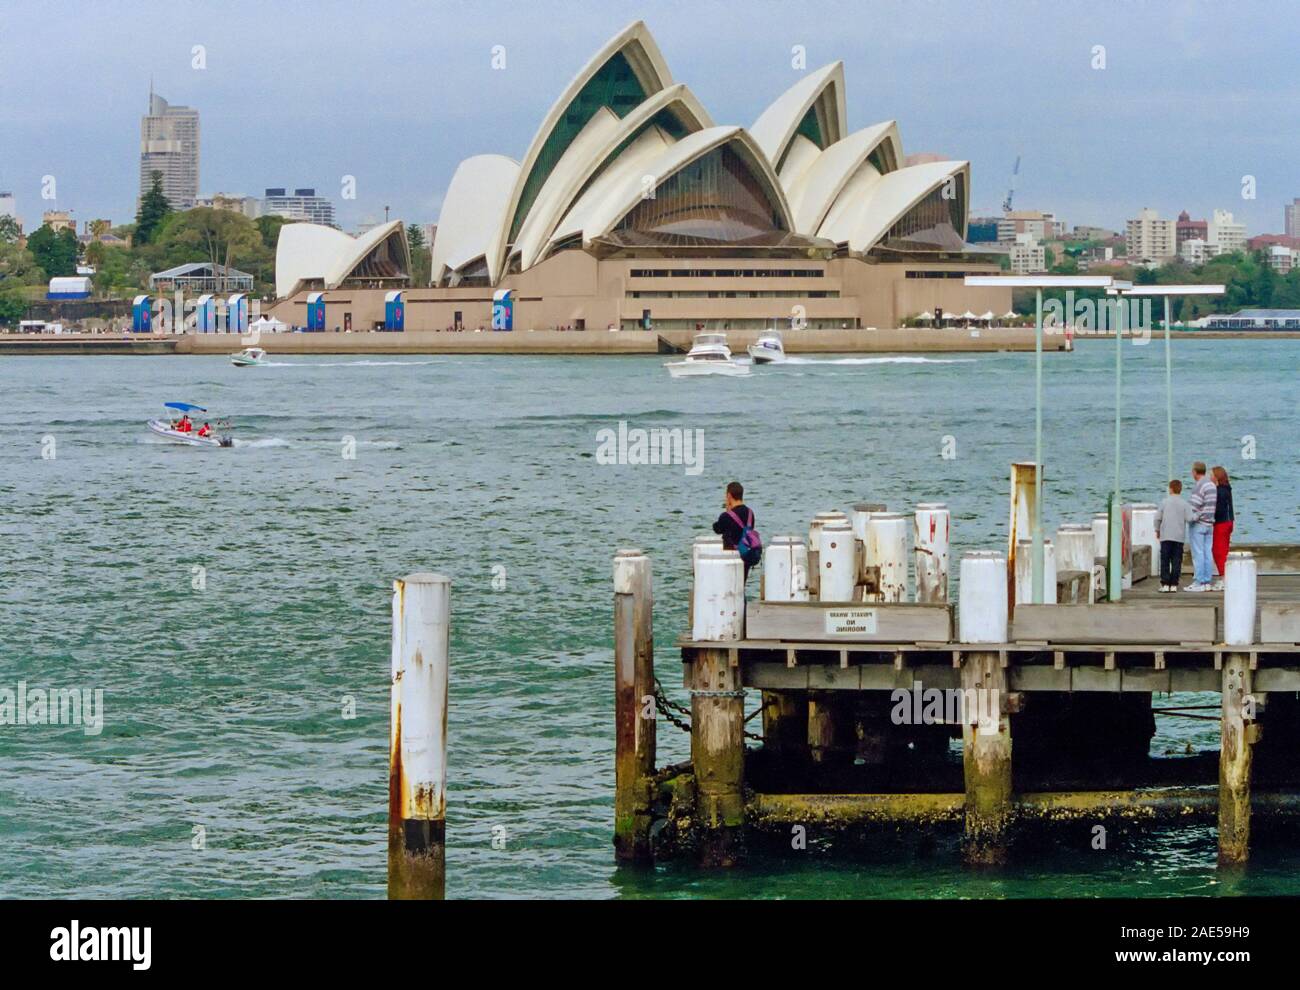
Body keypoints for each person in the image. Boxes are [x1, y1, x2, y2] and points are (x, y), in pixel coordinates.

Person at [712, 481, 761, 577]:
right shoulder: (750, 513)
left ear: (729, 496)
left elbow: (717, 529)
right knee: (741, 586)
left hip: (731, 557)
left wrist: (727, 512)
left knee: (729, 586)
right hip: (746, 555)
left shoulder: (726, 516)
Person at [1154, 479, 1193, 593]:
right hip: (1179, 537)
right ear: (1180, 490)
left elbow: (1157, 518)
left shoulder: (1164, 502)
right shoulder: (1184, 503)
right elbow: (1190, 518)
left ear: (1170, 489)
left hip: (1166, 535)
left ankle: (1165, 584)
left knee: (1165, 559)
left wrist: (1157, 529)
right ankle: (1174, 584)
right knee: (1176, 560)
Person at [1184, 461, 1217, 592]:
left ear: (1195, 472)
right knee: (1208, 552)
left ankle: (1199, 581)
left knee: (1198, 553)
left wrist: (1189, 518)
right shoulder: (1212, 485)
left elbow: (1194, 507)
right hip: (1210, 523)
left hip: (1198, 524)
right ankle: (1207, 581)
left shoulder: (1199, 486)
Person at [1211, 465, 1235, 590]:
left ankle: (1224, 577)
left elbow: (1218, 510)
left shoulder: (1219, 491)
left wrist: (1210, 519)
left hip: (1221, 523)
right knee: (1224, 550)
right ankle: (1226, 576)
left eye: (1212, 475)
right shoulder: (1227, 489)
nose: (1210, 477)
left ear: (1216, 477)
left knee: (1218, 551)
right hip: (1229, 521)